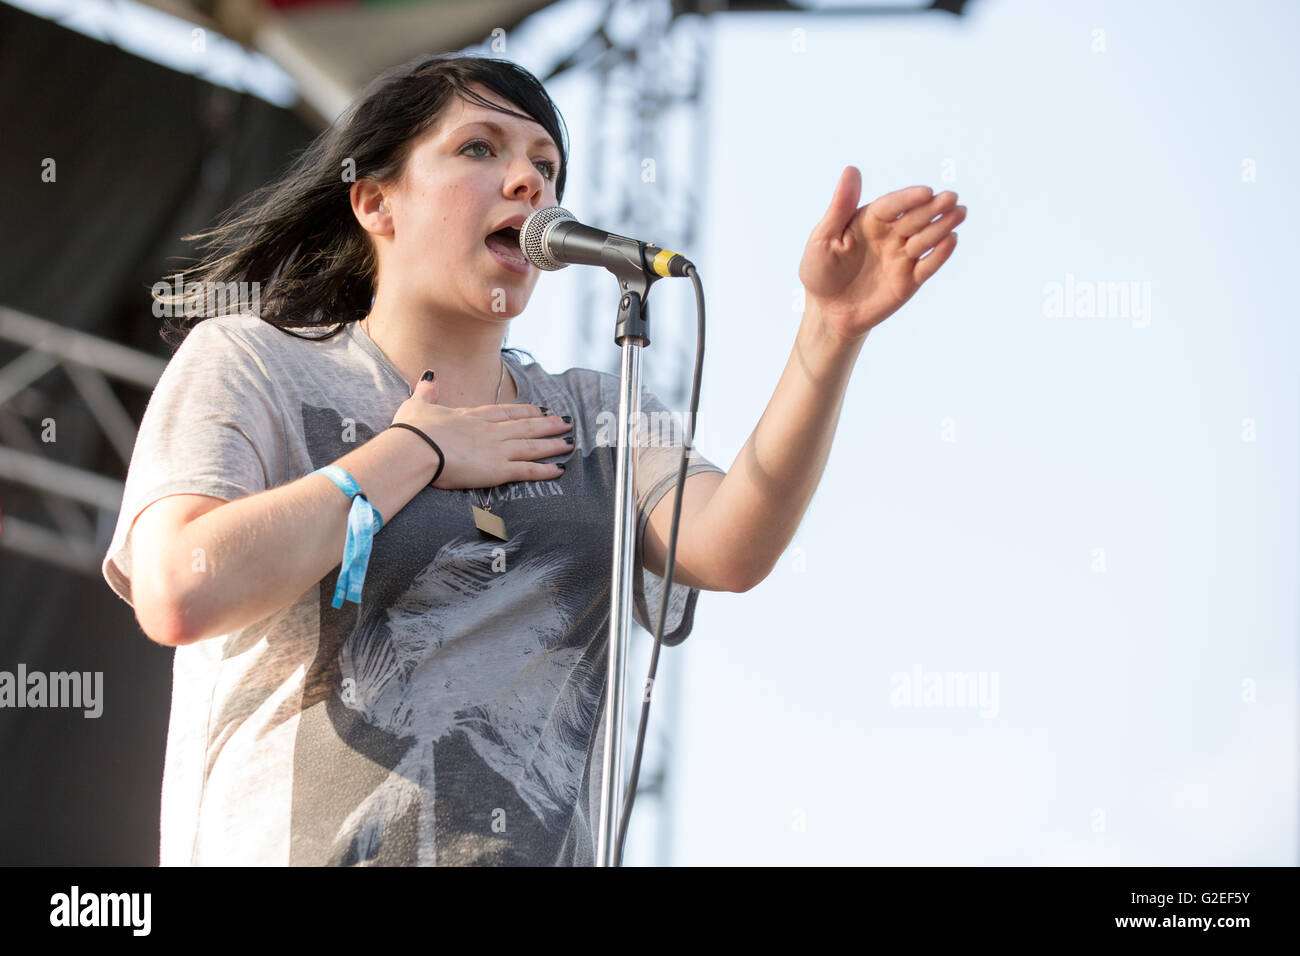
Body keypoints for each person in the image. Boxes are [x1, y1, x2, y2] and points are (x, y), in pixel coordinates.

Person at [101, 53, 964, 867]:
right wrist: (417, 452)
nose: (528, 181)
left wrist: (828, 333)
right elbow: (182, 588)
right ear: (374, 202)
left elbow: (730, 545)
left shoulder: (595, 412)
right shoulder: (255, 363)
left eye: (546, 166)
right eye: (479, 149)